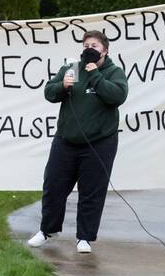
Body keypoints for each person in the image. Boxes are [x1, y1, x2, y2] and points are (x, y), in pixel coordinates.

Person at [28, 30, 128, 254]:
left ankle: (84, 237)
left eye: (94, 45)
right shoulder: (71, 68)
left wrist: (95, 74)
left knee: (91, 192)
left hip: (99, 143)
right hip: (66, 140)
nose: (89, 49)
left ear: (105, 50)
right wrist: (63, 86)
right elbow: (49, 92)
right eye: (85, 45)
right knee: (53, 186)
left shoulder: (114, 72)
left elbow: (117, 96)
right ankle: (47, 230)